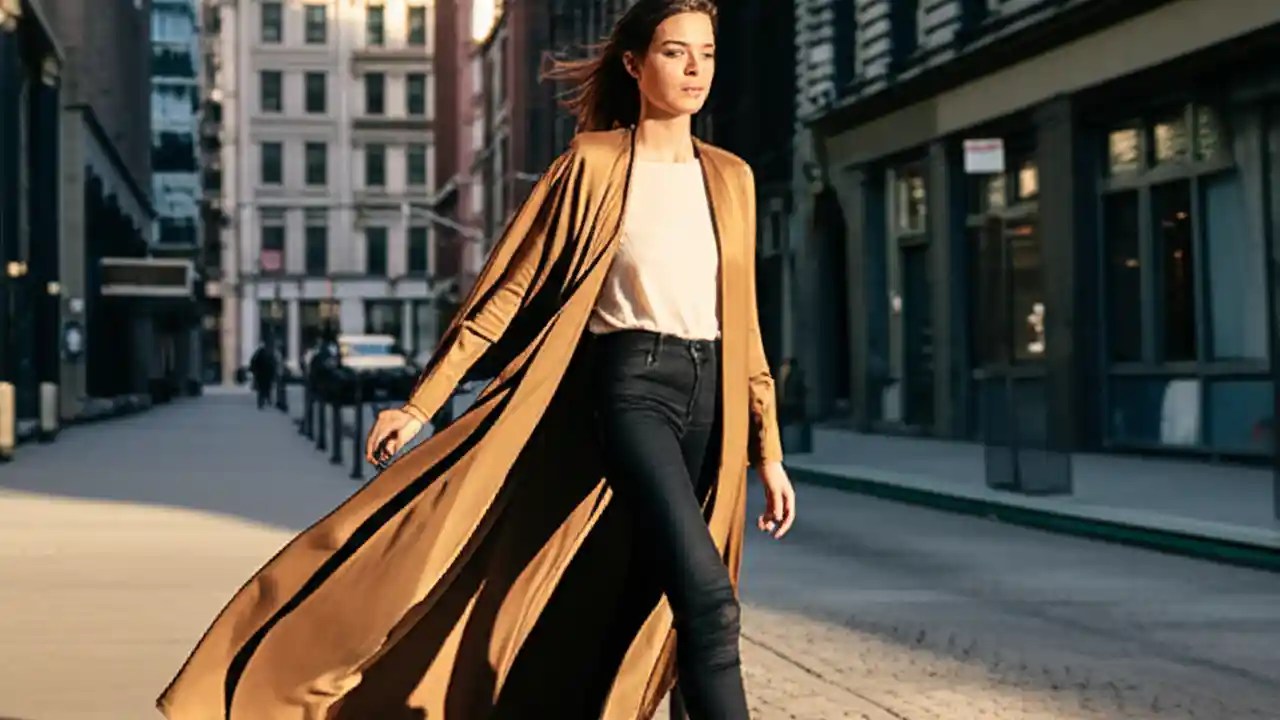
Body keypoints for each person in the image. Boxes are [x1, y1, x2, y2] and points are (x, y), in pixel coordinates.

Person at [155, 3, 796, 718]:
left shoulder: (731, 177)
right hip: (632, 387)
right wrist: (421, 402)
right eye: (676, 53)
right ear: (633, 64)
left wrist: (768, 449)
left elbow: (745, 324)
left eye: (706, 54)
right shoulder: (591, 164)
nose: (694, 70)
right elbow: (507, 289)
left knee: (637, 599)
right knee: (709, 602)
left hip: (714, 402)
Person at [248, 341, 277, 410]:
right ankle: (266, 400)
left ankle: (261, 402)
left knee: (261, 390)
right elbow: (271, 365)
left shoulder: (257, 354)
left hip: (260, 375)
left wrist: (254, 371)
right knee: (266, 388)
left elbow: (253, 363)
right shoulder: (268, 354)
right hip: (266, 375)